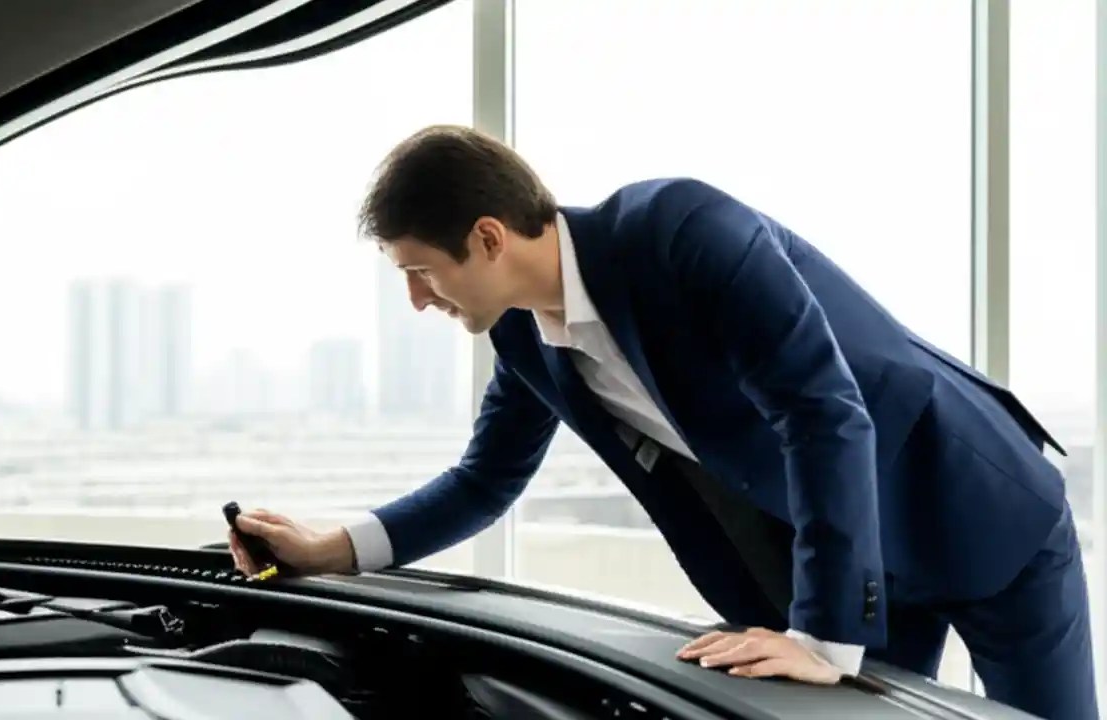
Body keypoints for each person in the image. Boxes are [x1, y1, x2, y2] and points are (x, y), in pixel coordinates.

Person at [228, 124, 1096, 719]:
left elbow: (820, 409)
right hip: (856, 560)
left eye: (419, 272)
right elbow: (485, 481)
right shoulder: (531, 347)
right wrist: (329, 551)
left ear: (488, 238)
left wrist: (826, 637)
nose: (419, 300)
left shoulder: (682, 231)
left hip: (981, 513)